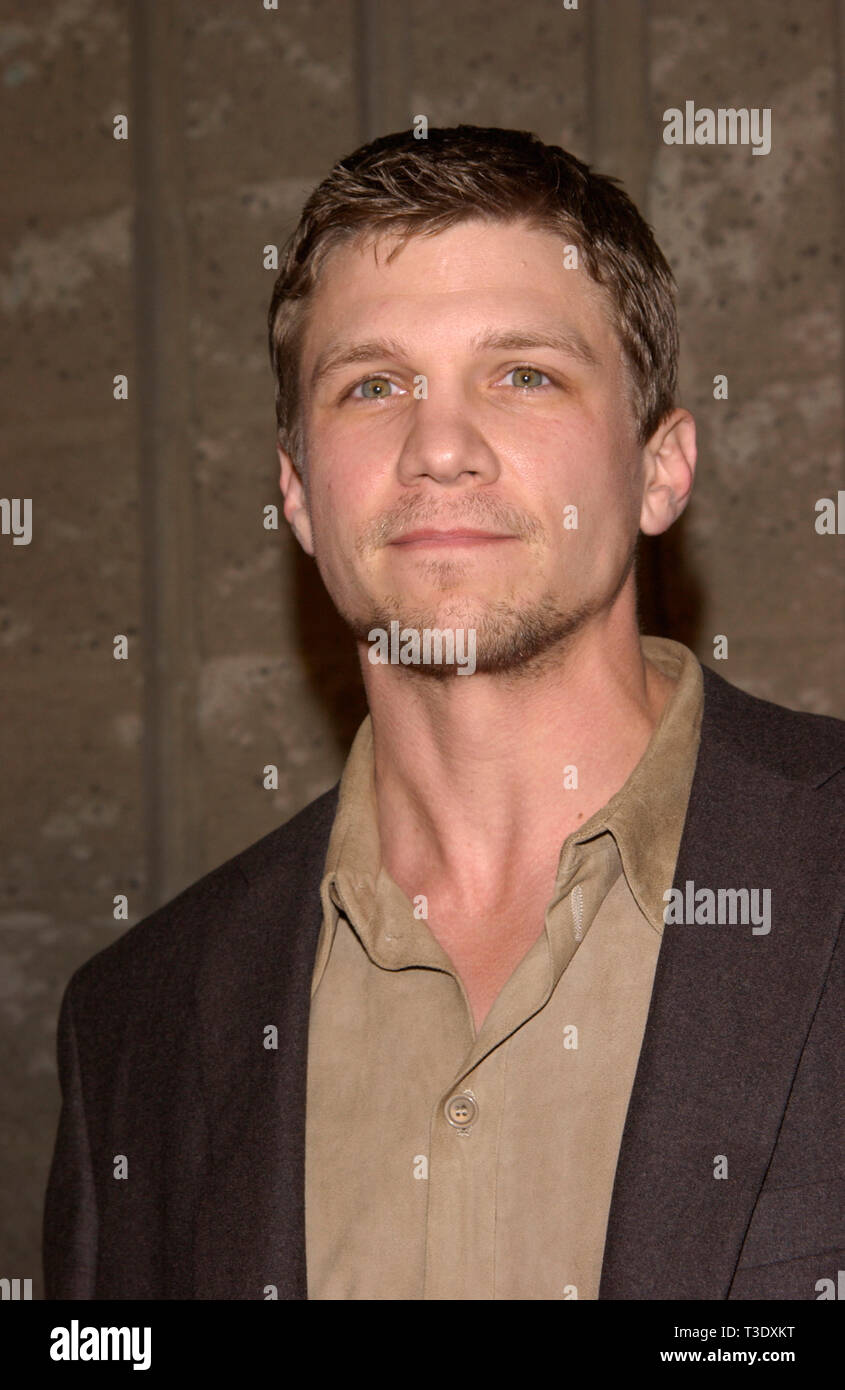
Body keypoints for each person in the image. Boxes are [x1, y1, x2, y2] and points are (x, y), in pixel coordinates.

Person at [43, 126, 844, 1301]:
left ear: (660, 467)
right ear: (298, 494)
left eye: (522, 373)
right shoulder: (138, 1024)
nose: (440, 446)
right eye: (371, 385)